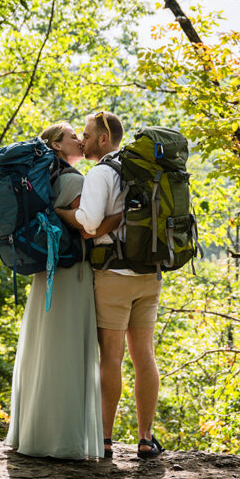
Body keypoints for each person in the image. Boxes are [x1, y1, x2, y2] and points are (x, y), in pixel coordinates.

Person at [4, 121, 120, 460]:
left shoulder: (45, 180)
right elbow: (90, 229)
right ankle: (62, 441)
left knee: (43, 350)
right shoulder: (73, 180)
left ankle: (33, 433)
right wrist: (121, 216)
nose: (81, 141)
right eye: (73, 136)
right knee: (67, 353)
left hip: (47, 273)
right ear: (56, 145)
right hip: (71, 274)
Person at [56, 111, 165, 460]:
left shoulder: (102, 172)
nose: (83, 140)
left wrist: (59, 213)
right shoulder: (143, 171)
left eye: (87, 134)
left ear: (104, 138)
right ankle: (146, 438)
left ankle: (104, 439)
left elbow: (88, 225)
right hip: (149, 275)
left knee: (112, 359)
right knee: (144, 356)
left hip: (114, 275)